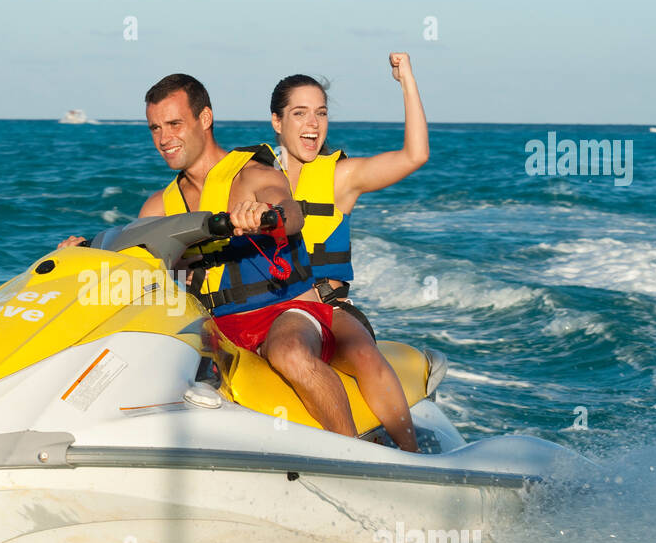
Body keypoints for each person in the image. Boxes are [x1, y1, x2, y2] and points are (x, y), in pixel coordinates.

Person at [61, 73, 371, 444]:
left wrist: (263, 214)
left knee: (288, 353)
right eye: (155, 128)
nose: (163, 138)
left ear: (204, 119)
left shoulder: (255, 175)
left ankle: (355, 456)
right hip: (216, 325)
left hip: (285, 312)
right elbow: (133, 263)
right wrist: (85, 254)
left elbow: (290, 213)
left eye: (174, 123)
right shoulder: (159, 206)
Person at [262, 54, 429, 451]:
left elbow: (415, 156)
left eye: (320, 113)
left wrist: (406, 80)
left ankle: (412, 457)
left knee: (366, 356)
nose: (313, 124)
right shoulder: (253, 177)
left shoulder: (341, 178)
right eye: (300, 113)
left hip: (329, 309)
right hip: (268, 310)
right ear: (277, 121)